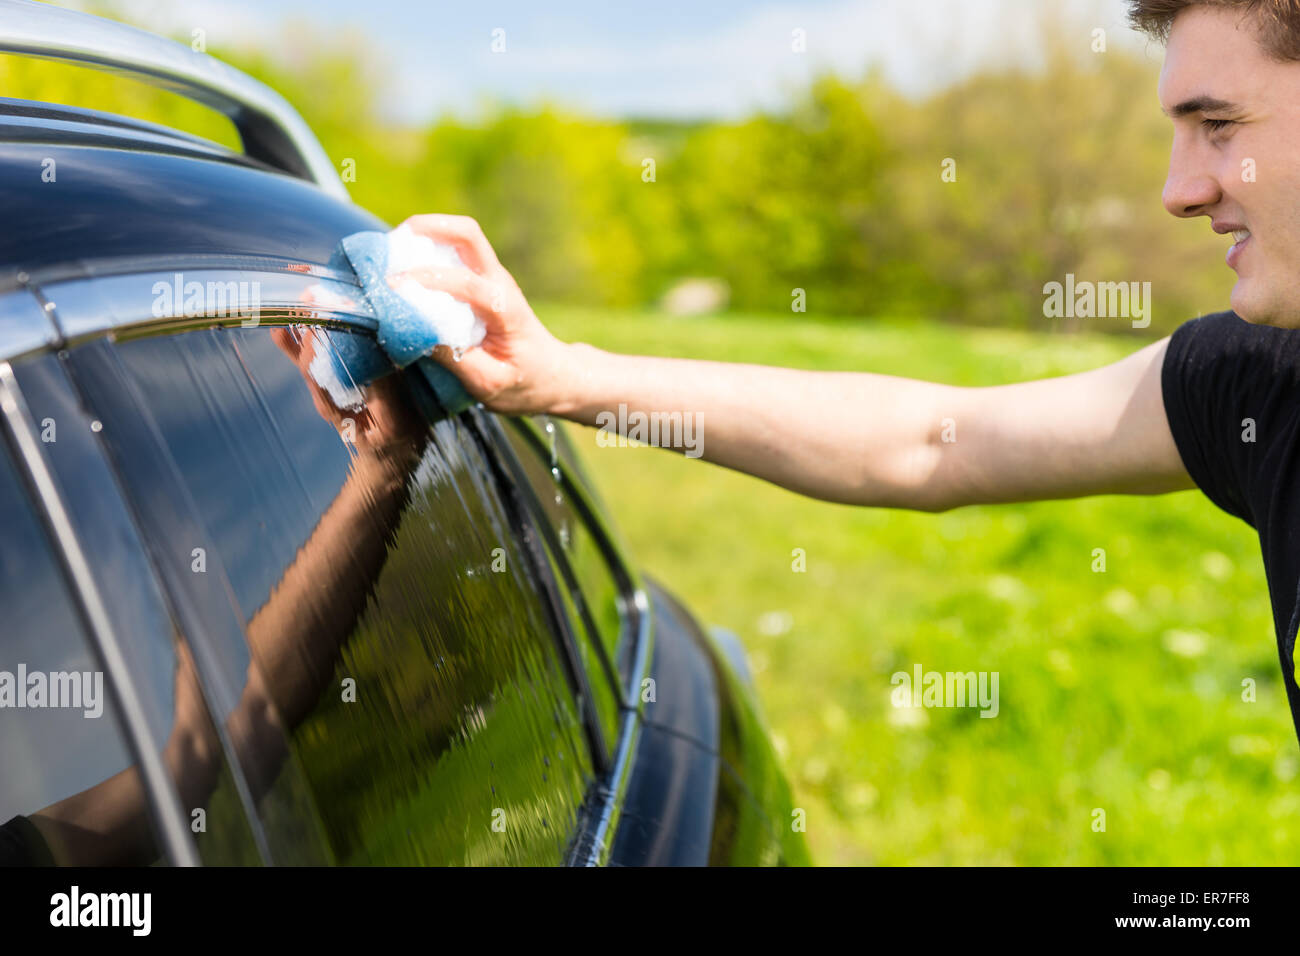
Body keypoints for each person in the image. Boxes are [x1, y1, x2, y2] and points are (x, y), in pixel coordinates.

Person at [390, 0, 1300, 747]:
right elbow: (932, 445)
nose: (1178, 190)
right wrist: (558, 376)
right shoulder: (1254, 384)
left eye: (1219, 126)